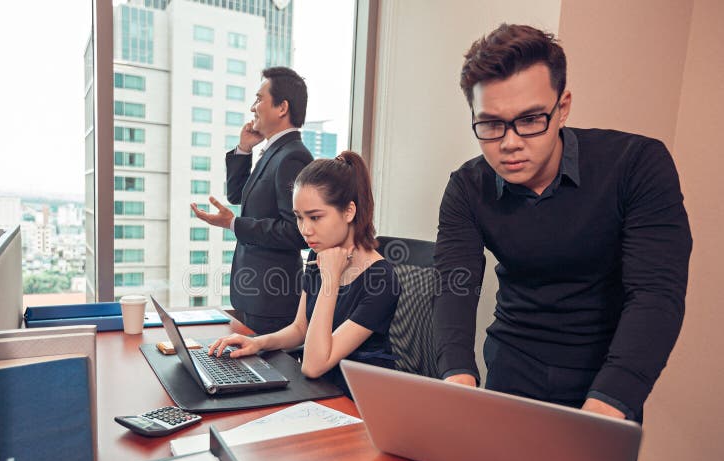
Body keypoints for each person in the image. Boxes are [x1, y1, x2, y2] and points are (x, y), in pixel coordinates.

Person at [434, 23, 692, 422]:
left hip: (604, 377)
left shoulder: (637, 165)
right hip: (511, 367)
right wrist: (456, 380)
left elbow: (656, 295)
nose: (510, 143)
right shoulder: (468, 186)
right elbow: (454, 288)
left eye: (530, 119)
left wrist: (606, 407)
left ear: (563, 107)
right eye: (491, 124)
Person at [208, 151, 401, 396]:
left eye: (315, 217)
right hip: (320, 389)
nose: (305, 230)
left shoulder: (381, 279)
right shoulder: (318, 254)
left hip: (359, 398)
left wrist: (330, 280)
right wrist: (258, 342)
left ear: (349, 211)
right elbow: (301, 328)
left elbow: (313, 366)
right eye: (299, 218)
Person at [191, 67, 312, 335]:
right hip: (255, 297)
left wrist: (234, 224)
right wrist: (244, 149)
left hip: (272, 300)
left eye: (259, 99)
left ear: (282, 108)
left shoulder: (293, 157)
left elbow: (297, 232)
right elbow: (237, 195)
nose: (252, 107)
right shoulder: (274, 152)